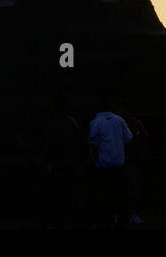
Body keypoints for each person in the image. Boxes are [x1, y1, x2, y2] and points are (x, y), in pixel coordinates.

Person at [88, 98, 132, 227]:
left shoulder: (95, 123)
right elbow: (129, 139)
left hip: (104, 166)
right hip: (119, 164)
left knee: (105, 196)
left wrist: (91, 161)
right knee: (120, 195)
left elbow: (94, 145)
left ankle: (108, 219)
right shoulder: (119, 120)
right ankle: (122, 219)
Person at [43, 94, 82, 227]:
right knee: (70, 198)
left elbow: (50, 145)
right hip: (72, 164)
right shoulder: (72, 122)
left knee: (58, 198)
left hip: (59, 166)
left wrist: (47, 160)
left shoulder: (54, 123)